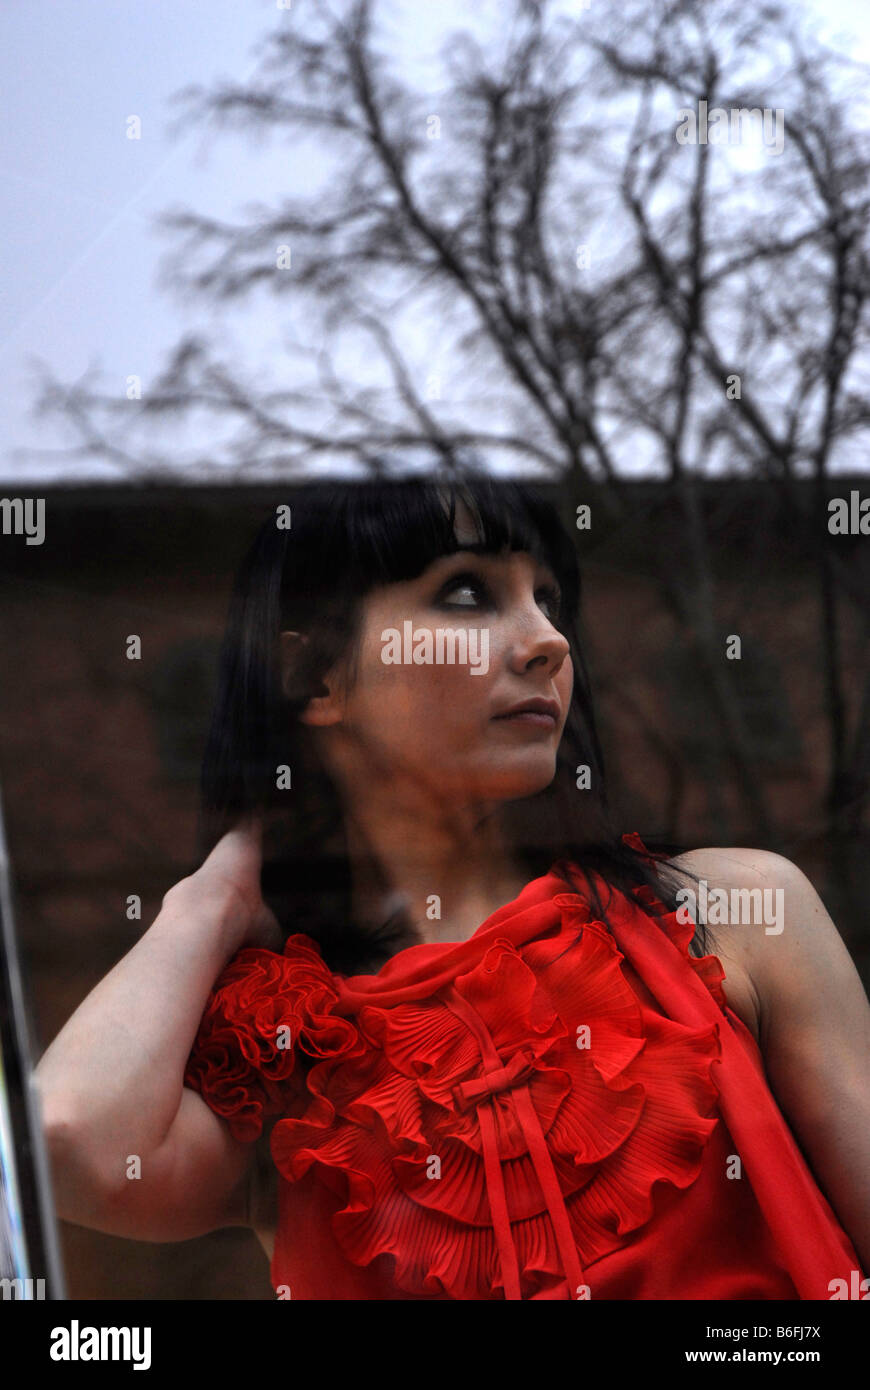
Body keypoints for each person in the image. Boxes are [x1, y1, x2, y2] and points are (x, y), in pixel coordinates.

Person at [35, 472, 870, 1299]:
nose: (550, 640)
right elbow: (69, 1138)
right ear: (317, 677)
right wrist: (213, 892)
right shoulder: (281, 1044)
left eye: (546, 596)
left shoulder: (732, 914)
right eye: (467, 594)